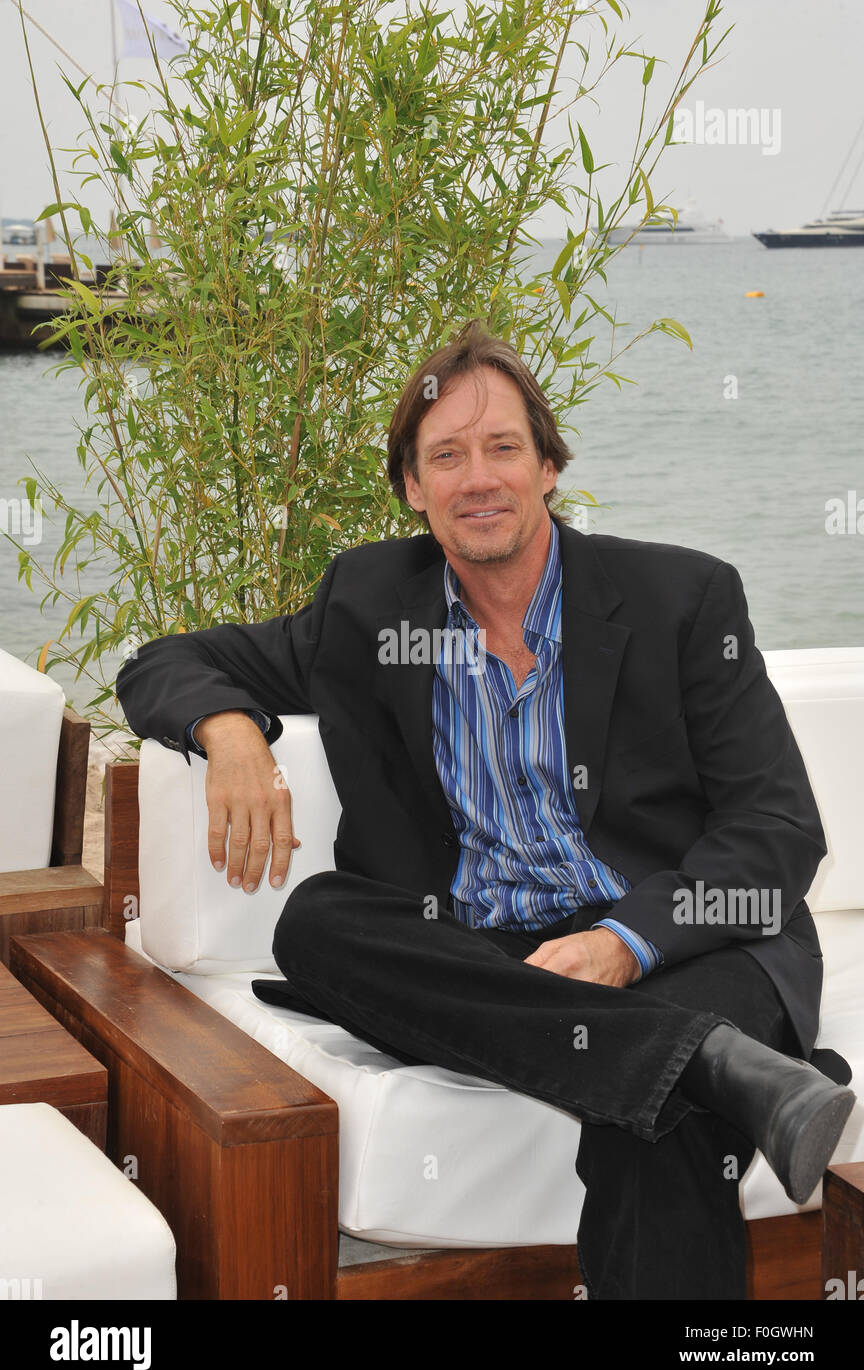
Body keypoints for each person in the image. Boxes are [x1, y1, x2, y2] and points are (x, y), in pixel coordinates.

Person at [117, 319, 854, 1300]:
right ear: (412, 488)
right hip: (485, 951)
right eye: (446, 456)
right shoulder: (370, 605)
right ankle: (719, 1065)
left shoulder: (682, 599)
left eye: (503, 447)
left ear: (548, 466)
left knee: (651, 1122)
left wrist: (624, 944)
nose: (479, 479)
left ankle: (691, 1060)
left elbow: (778, 829)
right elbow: (162, 661)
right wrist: (231, 730)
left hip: (685, 942)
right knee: (318, 920)